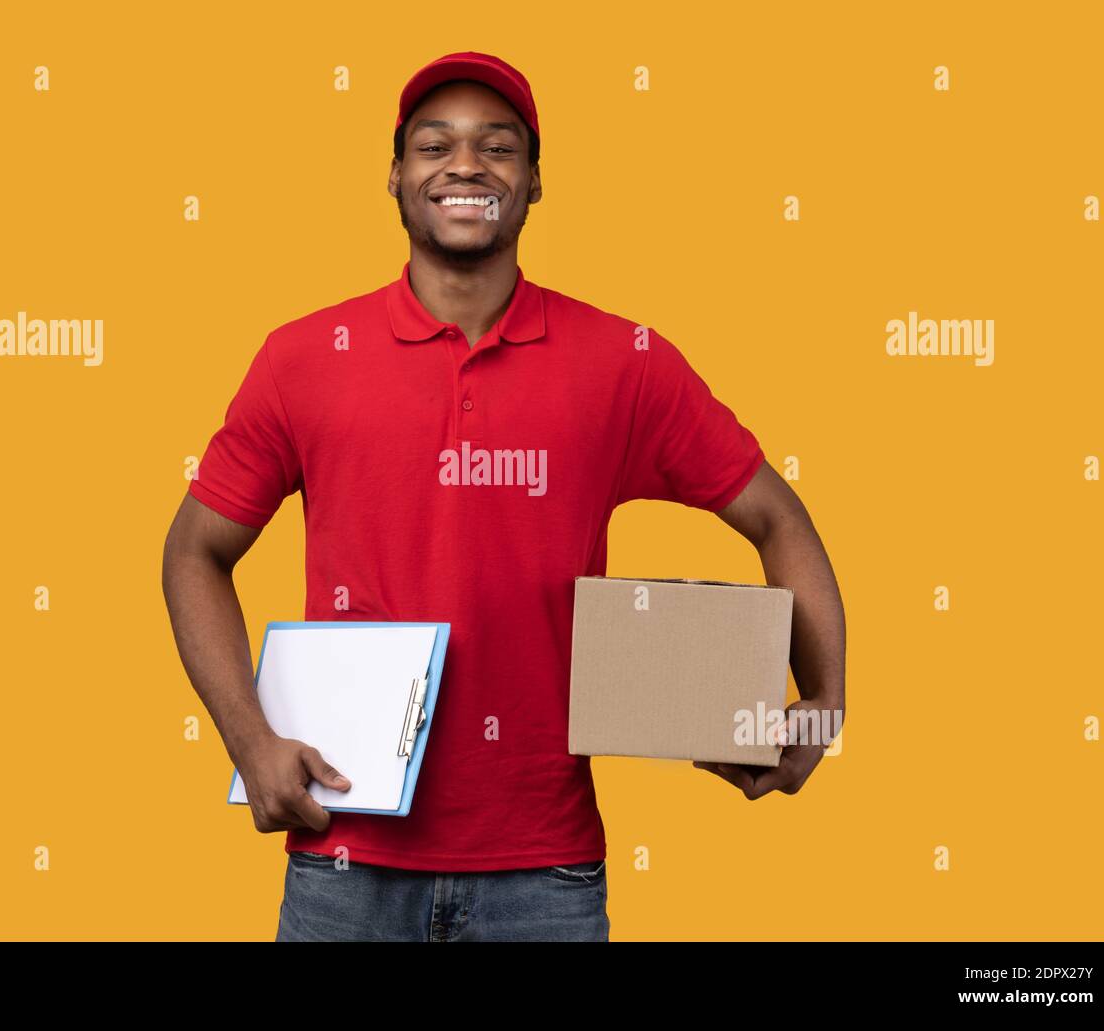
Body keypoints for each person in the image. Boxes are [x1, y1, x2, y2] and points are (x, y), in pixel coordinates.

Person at [161, 52, 846, 942]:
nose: (466, 165)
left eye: (499, 147)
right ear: (397, 176)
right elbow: (193, 551)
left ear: (532, 184)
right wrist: (249, 741)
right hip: (343, 859)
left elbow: (776, 516)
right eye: (434, 144)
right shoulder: (303, 359)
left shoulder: (622, 364)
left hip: (546, 873)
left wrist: (822, 705)